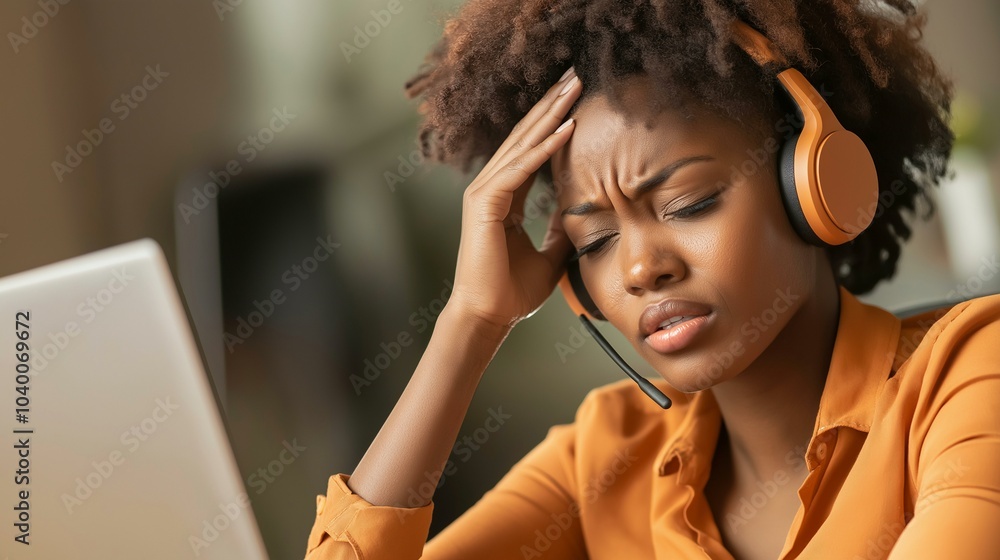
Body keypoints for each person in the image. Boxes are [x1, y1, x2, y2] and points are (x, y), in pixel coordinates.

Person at [304, 1, 1000, 558]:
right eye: (597, 240)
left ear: (813, 180)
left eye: (689, 204)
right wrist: (470, 324)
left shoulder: (972, 377)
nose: (641, 269)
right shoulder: (605, 458)